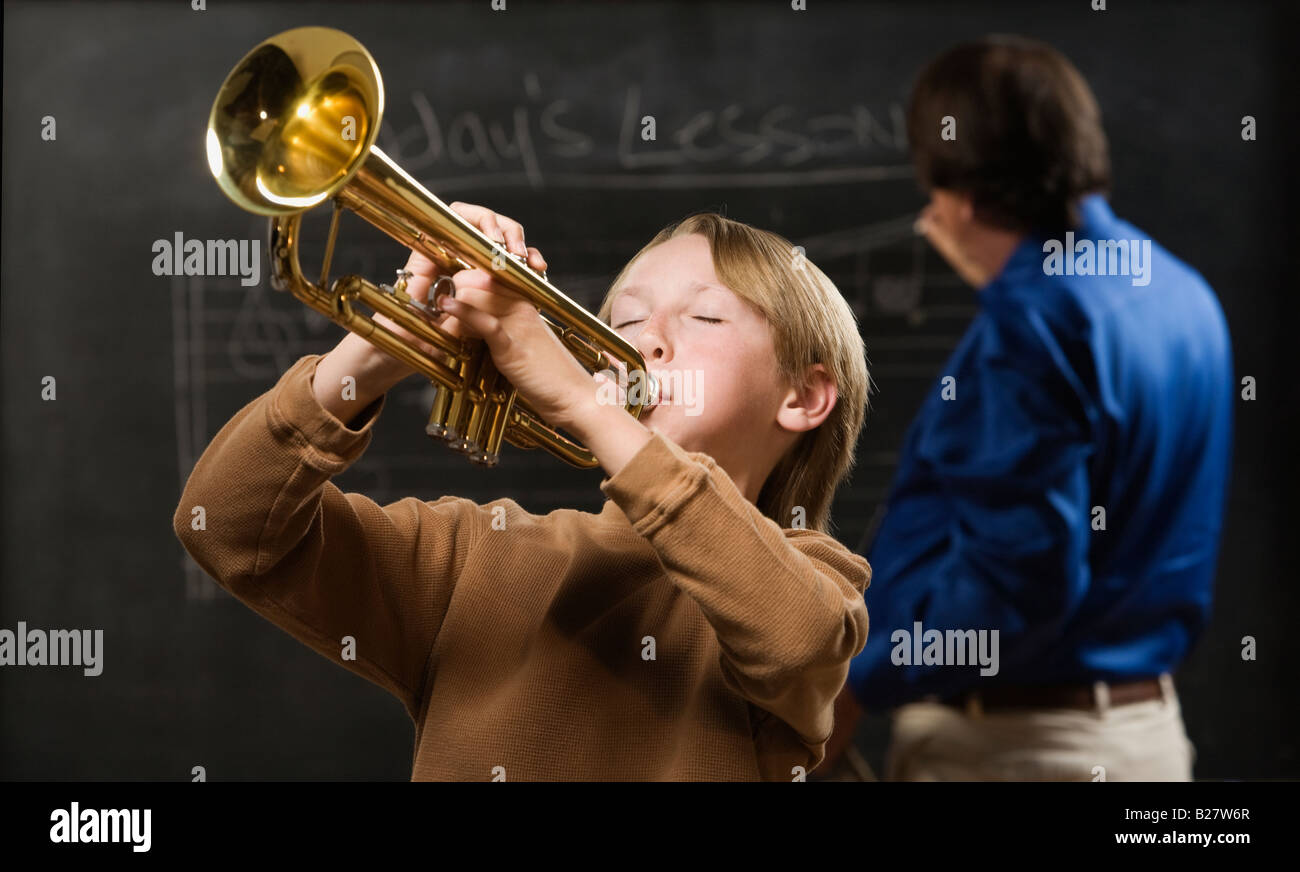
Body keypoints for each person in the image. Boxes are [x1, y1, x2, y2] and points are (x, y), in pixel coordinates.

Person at [172, 205, 872, 781]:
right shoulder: (472, 554)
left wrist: (581, 401)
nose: (647, 342)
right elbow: (225, 526)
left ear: (804, 396)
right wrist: (377, 348)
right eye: (625, 320)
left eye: (705, 318)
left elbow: (796, 641)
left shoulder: (818, 577)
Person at [823, 35, 1233, 781]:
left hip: (1019, 753)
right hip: (1143, 739)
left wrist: (860, 680)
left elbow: (1018, 585)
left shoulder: (1032, 325)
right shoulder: (1181, 293)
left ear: (959, 191)